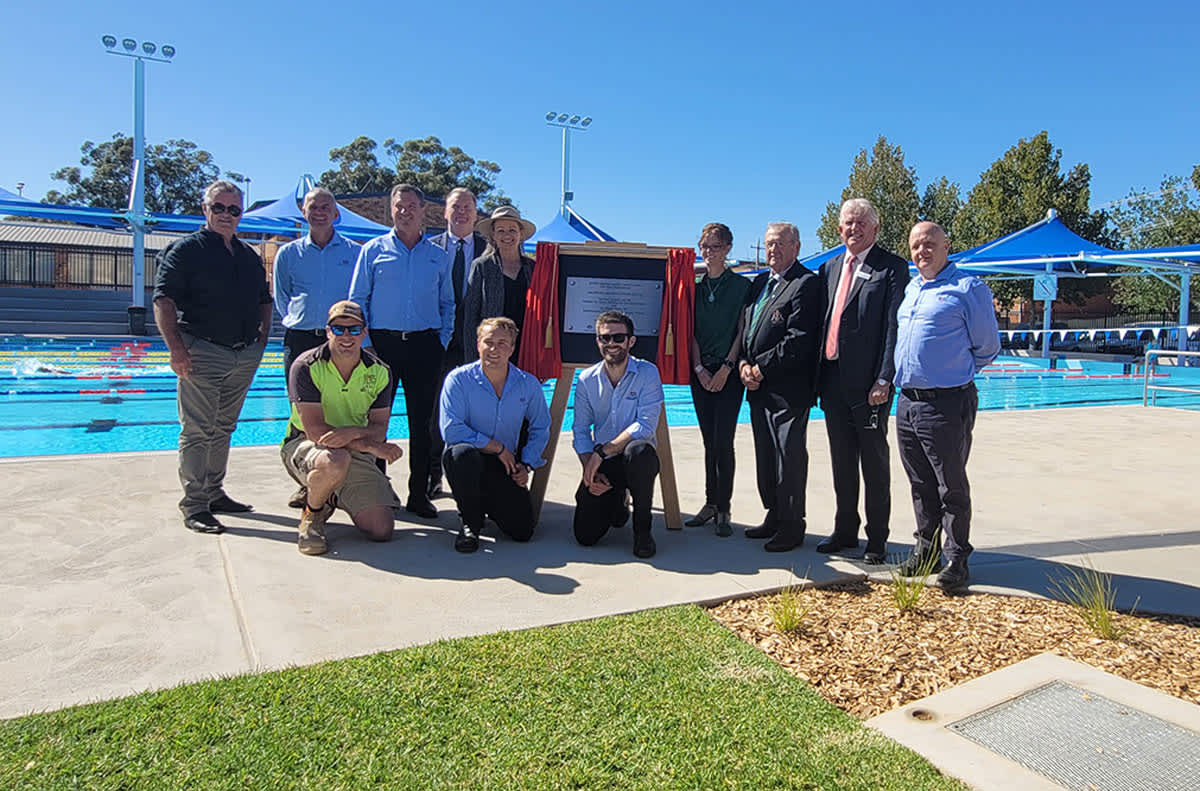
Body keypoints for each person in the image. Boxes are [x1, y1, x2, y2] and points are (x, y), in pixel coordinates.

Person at [153, 180, 272, 534]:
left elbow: (265, 301)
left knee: (223, 427)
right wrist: (176, 348)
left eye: (234, 210)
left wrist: (260, 343)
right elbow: (164, 300)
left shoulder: (248, 255)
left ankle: (214, 491)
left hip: (243, 353)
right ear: (205, 209)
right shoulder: (186, 251)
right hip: (202, 351)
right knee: (197, 431)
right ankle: (194, 504)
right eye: (218, 207)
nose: (226, 215)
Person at [893, 221, 1000, 589]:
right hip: (907, 401)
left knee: (950, 485)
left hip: (946, 402)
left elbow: (987, 346)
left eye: (929, 244)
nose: (922, 250)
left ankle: (957, 558)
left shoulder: (968, 288)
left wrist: (954, 373)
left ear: (946, 246)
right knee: (920, 482)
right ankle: (926, 550)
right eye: (916, 245)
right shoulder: (912, 288)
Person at [348, 184, 454, 520]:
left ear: (423, 211)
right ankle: (377, 491)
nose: (405, 211)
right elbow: (357, 301)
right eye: (399, 206)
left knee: (422, 425)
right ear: (390, 210)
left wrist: (442, 340)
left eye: (412, 206)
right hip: (383, 345)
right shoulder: (373, 250)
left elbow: (448, 302)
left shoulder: (438, 256)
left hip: (425, 345)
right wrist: (366, 346)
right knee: (375, 424)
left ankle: (418, 494)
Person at [815, 199, 909, 565]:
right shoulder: (830, 268)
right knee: (841, 461)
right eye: (847, 223)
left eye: (860, 223)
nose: (852, 229)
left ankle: (877, 539)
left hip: (871, 386)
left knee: (874, 463)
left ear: (875, 228)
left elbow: (892, 328)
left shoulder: (892, 268)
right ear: (839, 229)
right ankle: (844, 529)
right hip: (832, 380)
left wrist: (885, 378)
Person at [282, 300, 402, 555]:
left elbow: (379, 428)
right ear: (328, 331)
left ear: (364, 332)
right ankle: (312, 515)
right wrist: (368, 445)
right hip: (306, 444)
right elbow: (316, 432)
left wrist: (352, 433)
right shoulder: (306, 366)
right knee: (335, 460)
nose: (346, 336)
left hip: (351, 449)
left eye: (354, 329)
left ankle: (329, 493)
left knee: (381, 530)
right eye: (338, 329)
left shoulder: (380, 372)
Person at [272, 187, 361, 509]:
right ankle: (306, 479)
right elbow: (282, 298)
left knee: (342, 407)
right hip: (300, 338)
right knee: (301, 411)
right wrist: (301, 319)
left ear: (336, 213)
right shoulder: (288, 253)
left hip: (339, 338)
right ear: (304, 213)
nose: (320, 212)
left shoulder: (354, 252)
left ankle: (342, 478)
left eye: (326, 206)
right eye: (313, 207)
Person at [739, 222, 821, 552]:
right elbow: (747, 327)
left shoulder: (806, 284)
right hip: (757, 387)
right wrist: (744, 364)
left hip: (788, 389)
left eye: (780, 244)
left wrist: (760, 367)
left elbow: (798, 339)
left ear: (796, 247)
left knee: (789, 457)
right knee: (766, 457)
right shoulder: (760, 282)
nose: (772, 249)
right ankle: (773, 514)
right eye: (769, 243)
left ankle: (792, 524)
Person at [439, 317, 551, 553]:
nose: (494, 349)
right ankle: (470, 522)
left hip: (505, 464)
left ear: (511, 348)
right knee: (461, 455)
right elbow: (451, 429)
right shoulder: (458, 380)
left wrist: (527, 464)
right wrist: (497, 447)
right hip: (470, 458)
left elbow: (541, 427)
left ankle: (482, 501)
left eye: (502, 343)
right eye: (489, 342)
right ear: (478, 344)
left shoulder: (528, 384)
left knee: (522, 531)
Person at [572, 311, 665, 558]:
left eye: (618, 337)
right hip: (606, 464)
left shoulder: (648, 373)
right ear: (597, 341)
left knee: (640, 451)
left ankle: (643, 530)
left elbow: (645, 426)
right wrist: (589, 470)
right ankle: (617, 501)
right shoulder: (586, 379)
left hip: (634, 460)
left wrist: (601, 451)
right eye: (605, 338)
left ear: (630, 341)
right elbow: (580, 430)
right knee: (585, 536)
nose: (611, 343)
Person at [684, 222, 751, 537]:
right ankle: (710, 502)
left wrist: (726, 367)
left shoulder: (740, 287)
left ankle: (724, 506)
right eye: (704, 247)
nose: (708, 252)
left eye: (714, 246)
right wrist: (699, 368)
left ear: (727, 249)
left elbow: (742, 330)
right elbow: (691, 332)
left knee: (724, 440)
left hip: (728, 373)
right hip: (701, 372)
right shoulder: (694, 289)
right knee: (708, 439)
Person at [425, 188, 488, 501]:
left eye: (468, 207)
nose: (461, 212)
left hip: (477, 343)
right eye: (455, 207)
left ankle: (476, 477)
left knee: (478, 411)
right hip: (439, 341)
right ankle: (433, 475)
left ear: (476, 214)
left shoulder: (489, 251)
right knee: (437, 409)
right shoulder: (428, 249)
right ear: (445, 213)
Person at [462, 205, 538, 357]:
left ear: (520, 235)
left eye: (512, 230)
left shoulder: (533, 268)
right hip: (493, 348)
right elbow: (471, 315)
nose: (507, 235)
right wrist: (472, 357)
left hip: (526, 346)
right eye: (501, 231)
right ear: (493, 236)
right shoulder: (482, 266)